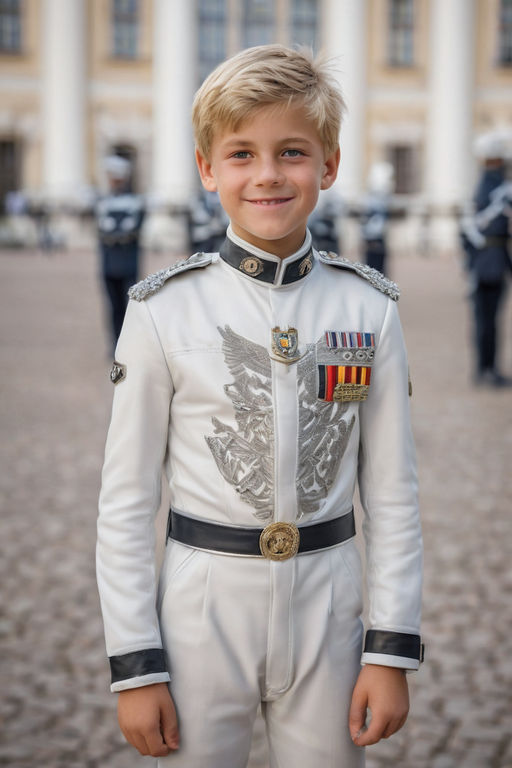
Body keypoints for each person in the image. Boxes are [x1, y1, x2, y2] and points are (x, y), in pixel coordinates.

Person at [96, 45, 423, 768]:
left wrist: (390, 649)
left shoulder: (368, 308)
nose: (268, 174)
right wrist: (136, 664)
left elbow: (394, 494)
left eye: (292, 152)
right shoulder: (162, 311)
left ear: (329, 165)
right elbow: (125, 501)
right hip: (202, 609)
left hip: (329, 606)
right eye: (241, 153)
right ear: (207, 168)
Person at [460, 131, 512, 387]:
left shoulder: (489, 184)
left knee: (488, 319)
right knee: (487, 320)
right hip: (489, 263)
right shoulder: (494, 186)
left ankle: (487, 368)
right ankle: (486, 369)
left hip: (490, 260)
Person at [96, 155, 145, 351]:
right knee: (113, 307)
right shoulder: (104, 202)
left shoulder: (135, 202)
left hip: (127, 262)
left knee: (130, 306)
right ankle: (116, 343)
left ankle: (129, 344)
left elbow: (131, 231)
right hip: (109, 263)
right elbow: (102, 230)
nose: (112, 180)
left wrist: (115, 234)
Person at [360, 162, 395, 275]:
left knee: (378, 268)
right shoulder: (374, 199)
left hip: (377, 238)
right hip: (374, 238)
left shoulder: (376, 198)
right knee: (374, 268)